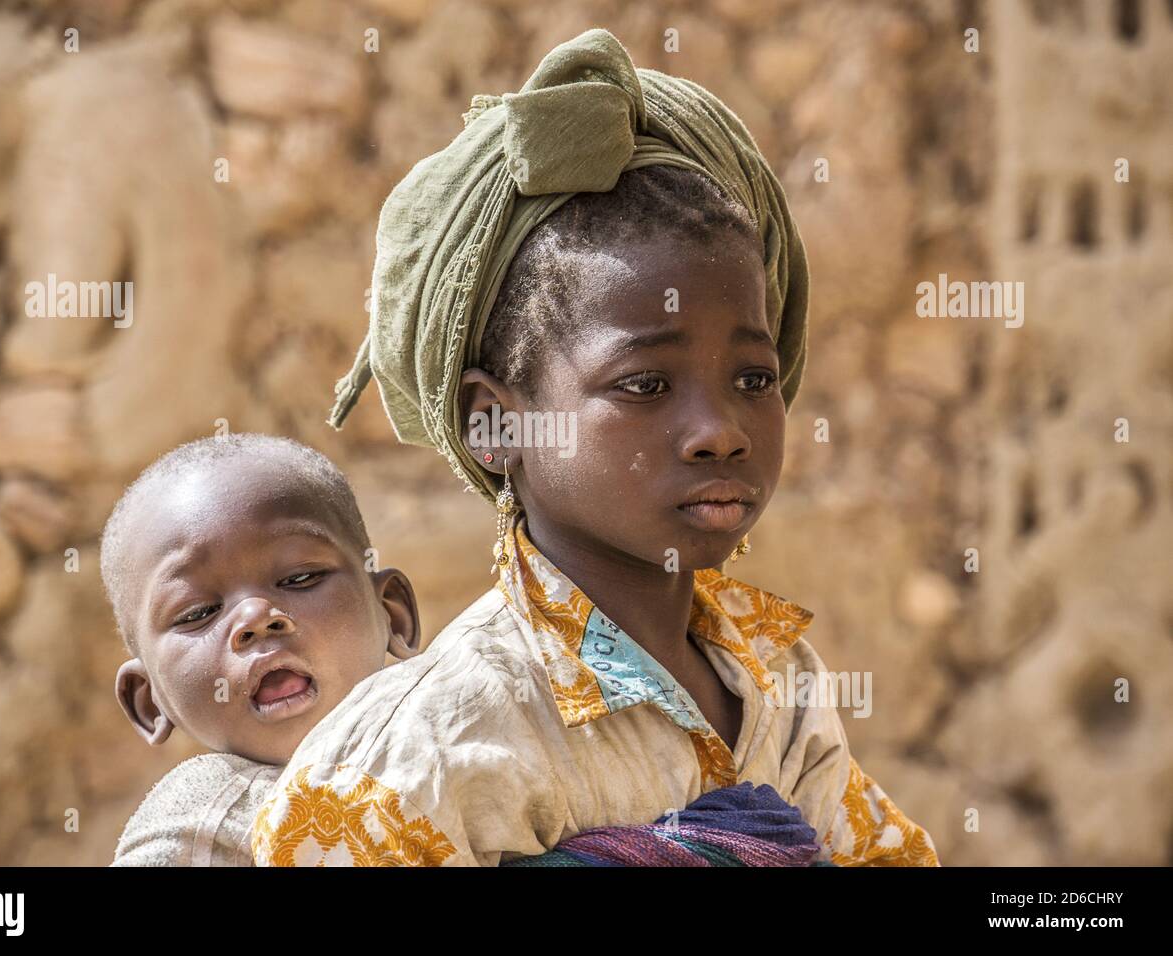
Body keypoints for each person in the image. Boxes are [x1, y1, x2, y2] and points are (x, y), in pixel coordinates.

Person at [252, 28, 939, 867]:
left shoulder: (775, 680)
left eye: (754, 379)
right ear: (496, 423)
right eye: (646, 385)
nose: (720, 430)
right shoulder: (419, 759)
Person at [102, 434, 419, 865]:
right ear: (148, 700)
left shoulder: (477, 738)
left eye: (299, 578)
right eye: (199, 612)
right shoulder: (195, 829)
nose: (255, 617)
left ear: (392, 614)